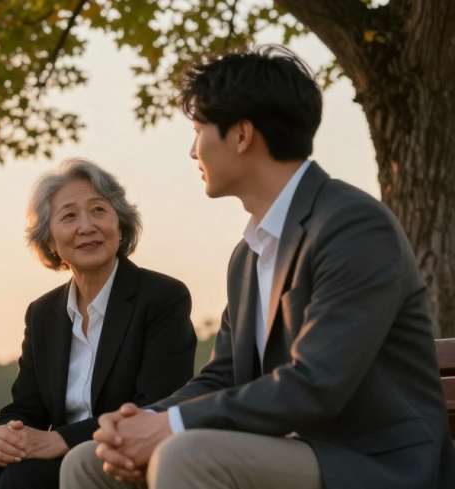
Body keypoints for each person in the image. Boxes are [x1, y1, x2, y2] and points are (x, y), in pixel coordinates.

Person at [60, 46, 455, 489]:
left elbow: (315, 384)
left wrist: (171, 428)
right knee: (86, 462)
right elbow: (223, 375)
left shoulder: (353, 226)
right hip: (284, 450)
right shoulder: (248, 253)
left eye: (199, 130)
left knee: (186, 455)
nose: (194, 151)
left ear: (242, 135)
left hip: (371, 463)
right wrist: (143, 420)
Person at [0, 158, 197, 489]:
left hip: (127, 457)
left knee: (22, 479)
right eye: (69, 216)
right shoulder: (42, 313)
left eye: (98, 210)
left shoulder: (162, 297)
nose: (87, 226)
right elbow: (26, 408)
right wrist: (3, 434)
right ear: (50, 240)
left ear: (120, 223)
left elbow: (155, 405)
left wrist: (62, 440)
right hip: (57, 461)